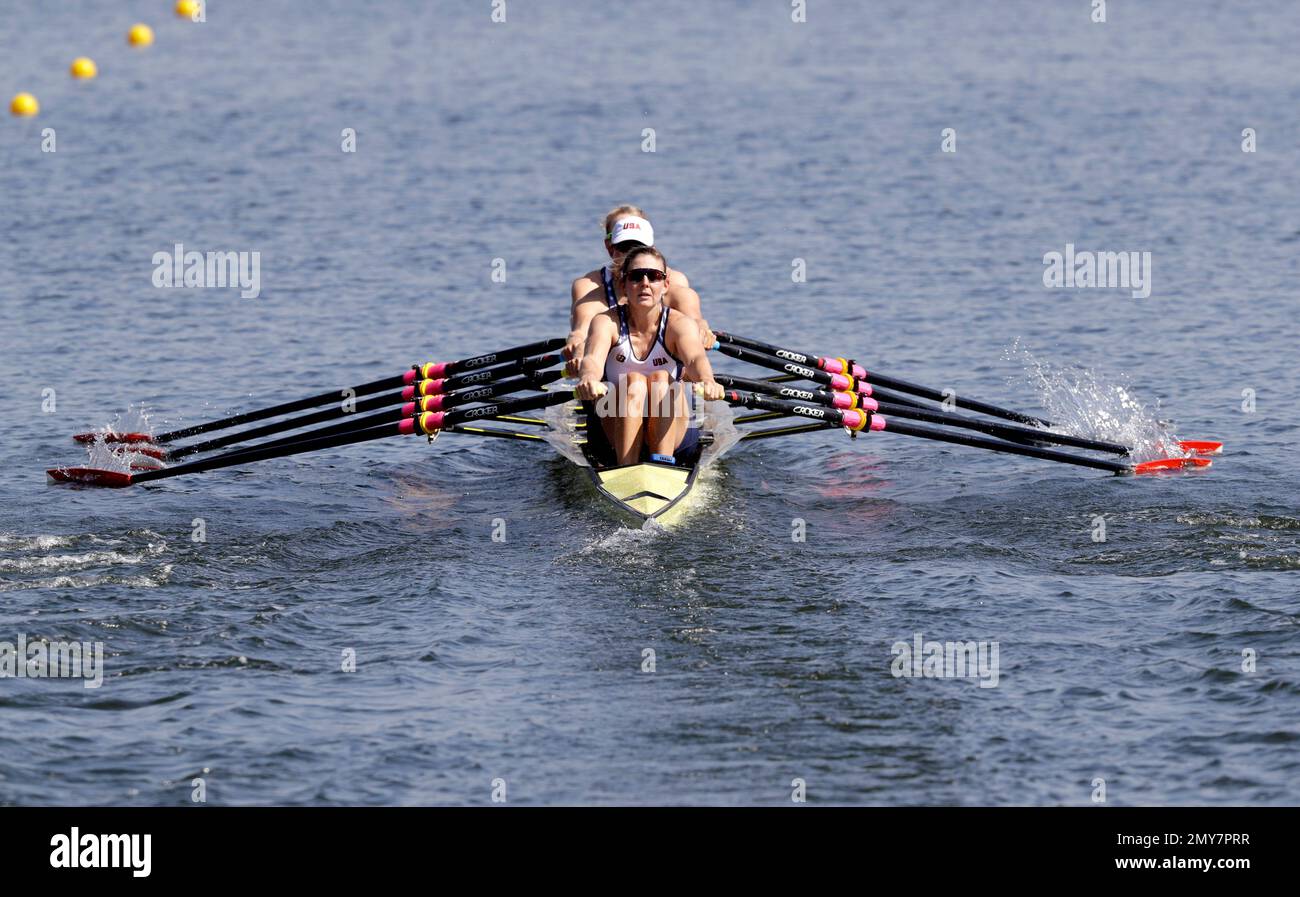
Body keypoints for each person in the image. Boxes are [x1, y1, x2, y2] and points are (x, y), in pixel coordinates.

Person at [576, 246, 723, 467]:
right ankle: (626, 468)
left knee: (660, 380)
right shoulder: (606, 322)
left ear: (665, 285)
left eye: (654, 276)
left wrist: (708, 381)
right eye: (636, 276)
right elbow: (593, 360)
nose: (645, 283)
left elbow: (695, 360)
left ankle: (662, 465)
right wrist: (588, 379)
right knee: (634, 382)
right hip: (614, 431)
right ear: (623, 284)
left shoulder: (679, 324)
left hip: (676, 436)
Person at [565, 205, 713, 376]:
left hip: (667, 379)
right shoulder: (591, 289)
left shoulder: (676, 283)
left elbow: (693, 322)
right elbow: (582, 331)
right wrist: (578, 351)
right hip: (611, 379)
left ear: (652, 249)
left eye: (638, 248)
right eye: (625, 247)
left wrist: (703, 331)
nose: (631, 256)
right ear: (610, 247)